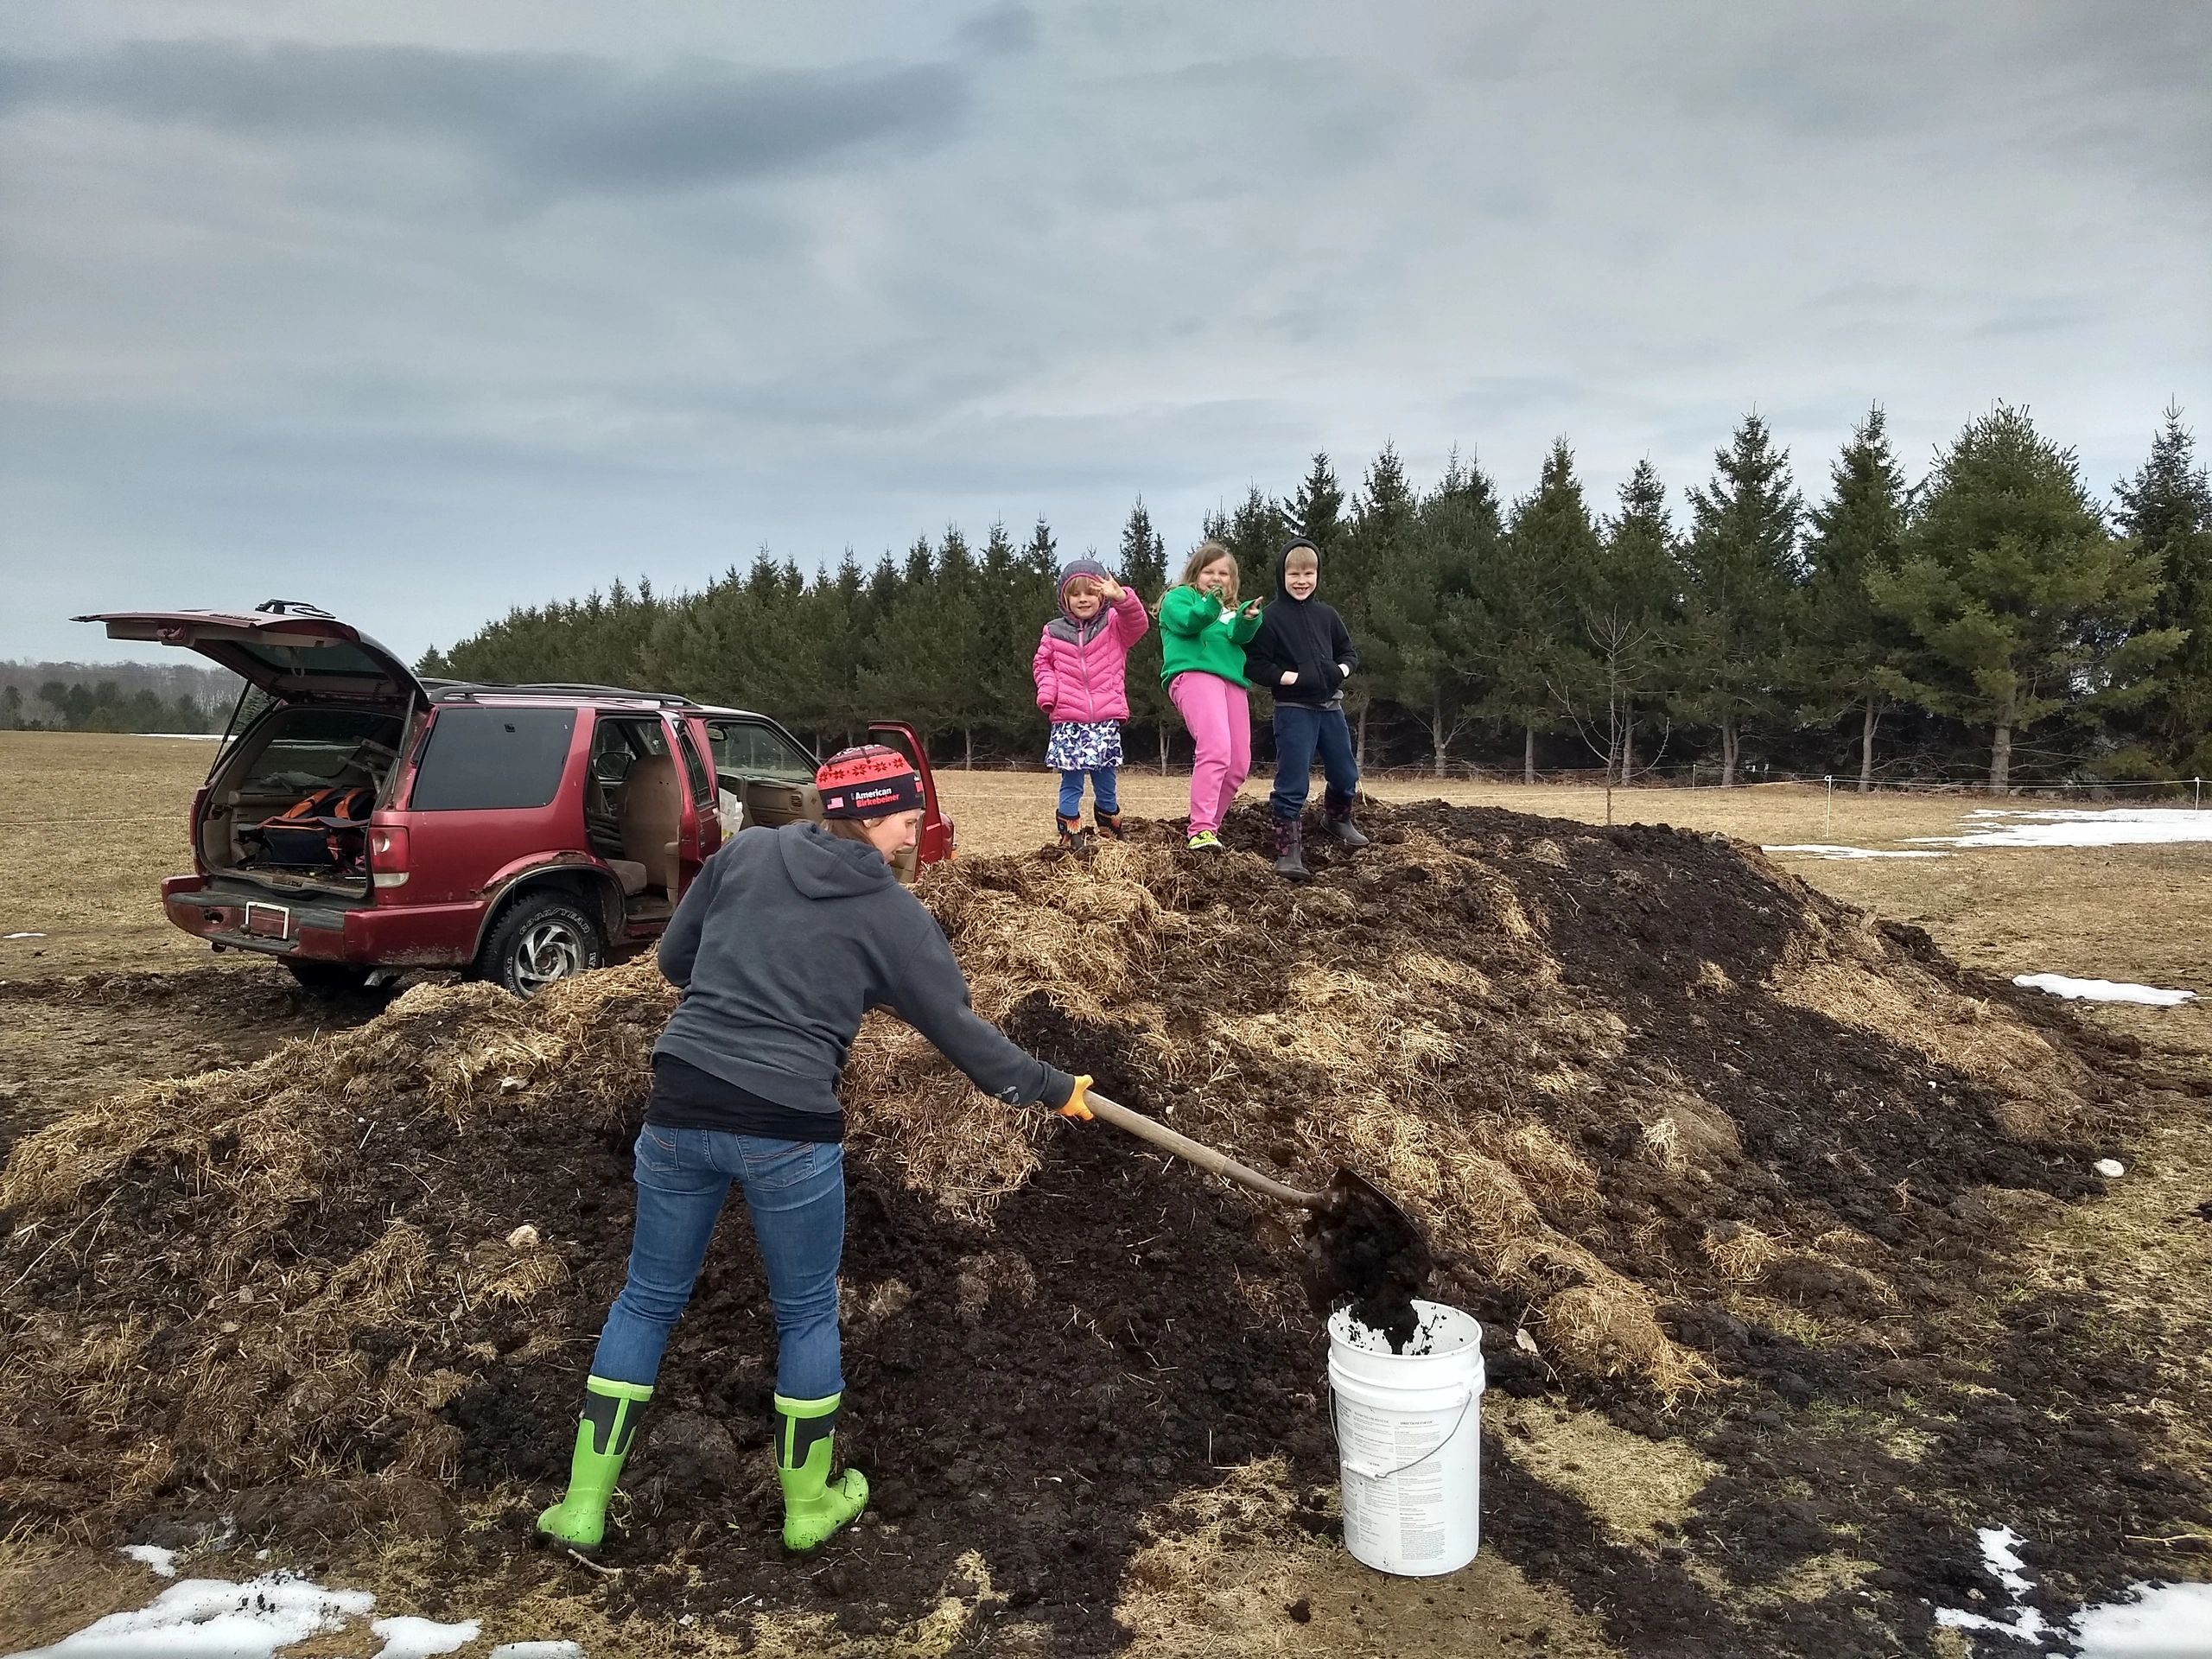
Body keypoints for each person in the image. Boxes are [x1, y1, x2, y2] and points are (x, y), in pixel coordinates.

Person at [535, 745, 1096, 1556]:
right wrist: (1054, 1086)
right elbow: (965, 1039)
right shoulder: (895, 915)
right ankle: (808, 1507)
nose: (915, 825)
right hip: (788, 1127)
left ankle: (583, 1507)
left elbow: (673, 962)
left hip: (681, 1100)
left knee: (646, 1301)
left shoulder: (750, 851)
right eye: (906, 810)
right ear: (868, 812)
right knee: (803, 1313)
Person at [1242, 536, 1369, 881]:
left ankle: (1337, 819)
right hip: (1293, 709)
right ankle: (1288, 850)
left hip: (1331, 708)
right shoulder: (1270, 618)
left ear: (1317, 575)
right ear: (1281, 575)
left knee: (1345, 773)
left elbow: (1349, 653)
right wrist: (1291, 678)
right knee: (1293, 779)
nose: (1302, 580)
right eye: (1294, 573)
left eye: (1309, 573)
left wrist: (1338, 671)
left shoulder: (1328, 615)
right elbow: (1255, 664)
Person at [1032, 556, 1150, 851]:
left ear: (1102, 596)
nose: (1083, 599)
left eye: (1090, 592)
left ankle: (1109, 824)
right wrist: (1048, 693)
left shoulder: (1114, 625)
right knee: (1071, 783)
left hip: (1105, 718)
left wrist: (1122, 597)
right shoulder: (1053, 631)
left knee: (1105, 780)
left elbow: (1138, 624)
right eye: (1075, 593)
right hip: (1068, 720)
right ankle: (1070, 831)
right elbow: (1042, 665)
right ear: (1064, 598)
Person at [1158, 542, 1262, 850]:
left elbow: (1239, 637)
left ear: (1233, 579)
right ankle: (1200, 828)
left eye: (1224, 574)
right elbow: (1191, 623)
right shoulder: (1177, 598)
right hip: (1194, 675)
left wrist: (1247, 619)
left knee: (1238, 764)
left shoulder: (1229, 611)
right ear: (1195, 573)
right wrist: (1212, 605)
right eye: (1209, 572)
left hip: (1232, 681)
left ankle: (1208, 830)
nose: (1217, 579)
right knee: (1215, 748)